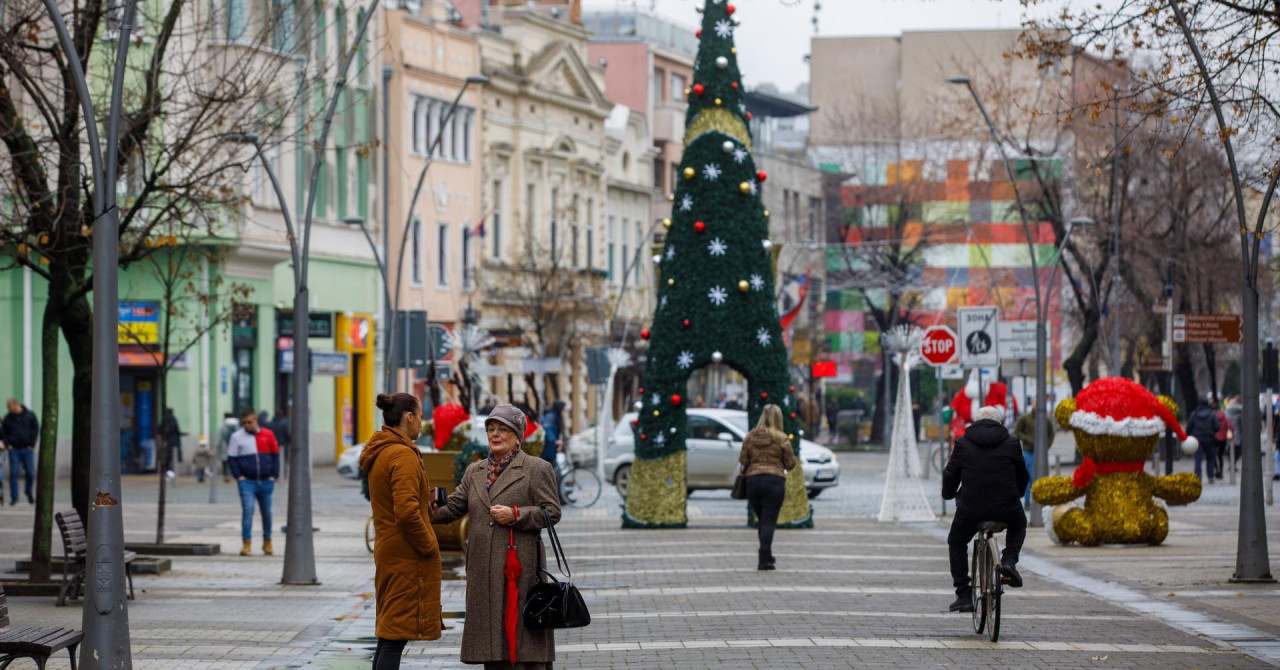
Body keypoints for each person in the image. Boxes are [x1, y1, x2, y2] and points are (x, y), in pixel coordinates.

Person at [432, 404, 561, 669]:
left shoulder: (536, 468)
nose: (495, 434)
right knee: (491, 646)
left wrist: (516, 514)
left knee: (521, 641)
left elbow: (551, 512)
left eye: (503, 429)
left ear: (518, 435)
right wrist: (423, 507)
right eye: (491, 429)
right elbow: (453, 507)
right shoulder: (475, 471)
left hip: (519, 569)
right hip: (482, 569)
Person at [360, 392, 442, 669]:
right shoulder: (402, 455)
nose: (422, 423)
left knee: (389, 634)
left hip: (391, 550)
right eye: (420, 416)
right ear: (408, 417)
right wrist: (428, 545)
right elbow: (406, 512)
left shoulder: (385, 450)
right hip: (406, 557)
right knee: (394, 637)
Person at [942, 406, 1029, 613]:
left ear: (975, 421)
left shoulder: (963, 443)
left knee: (956, 542)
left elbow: (950, 474)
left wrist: (948, 493)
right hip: (1006, 507)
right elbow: (1023, 475)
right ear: (1000, 423)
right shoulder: (1012, 443)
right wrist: (1016, 494)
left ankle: (964, 595)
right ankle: (1009, 561)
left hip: (971, 509)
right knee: (1019, 525)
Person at [738, 404, 796, 571]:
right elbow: (790, 464)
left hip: (753, 481)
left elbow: (743, 459)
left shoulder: (750, 436)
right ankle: (764, 557)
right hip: (774, 481)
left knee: (763, 520)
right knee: (769, 521)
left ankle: (767, 556)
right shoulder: (781, 438)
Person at [226, 408, 280, 556]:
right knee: (248, 511)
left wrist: (274, 475)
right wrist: (239, 476)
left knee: (267, 513)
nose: (247, 425)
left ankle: (267, 541)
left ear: (256, 420)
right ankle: (246, 543)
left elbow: (275, 456)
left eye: (249, 422)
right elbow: (232, 458)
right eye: (244, 423)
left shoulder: (268, 434)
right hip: (247, 481)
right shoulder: (237, 437)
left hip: (266, 480)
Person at [1012, 404, 1053, 507]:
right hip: (1028, 451)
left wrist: (1047, 445)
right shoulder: (1025, 418)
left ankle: (1040, 498)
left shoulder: (1045, 420)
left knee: (1041, 476)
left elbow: (1051, 433)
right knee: (1029, 476)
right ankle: (1027, 500)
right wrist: (1025, 439)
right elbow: (1017, 431)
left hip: (1041, 452)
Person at [1, 399, 38, 505]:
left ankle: (28, 491)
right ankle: (14, 497)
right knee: (13, 473)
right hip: (14, 450)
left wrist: (32, 444)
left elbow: (35, 429)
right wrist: (8, 444)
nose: (9, 409)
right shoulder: (8, 418)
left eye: (10, 407)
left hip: (27, 448)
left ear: (16, 404)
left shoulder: (29, 415)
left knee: (30, 473)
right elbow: (4, 433)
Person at [1186, 399, 1220, 481]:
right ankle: (1210, 476)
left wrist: (1189, 434)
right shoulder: (1211, 414)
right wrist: (1212, 431)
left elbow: (1189, 427)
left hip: (1197, 439)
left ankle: (1198, 476)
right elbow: (1217, 426)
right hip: (1209, 438)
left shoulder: (1194, 414)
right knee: (1210, 458)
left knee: (1198, 458)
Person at [539, 400, 565, 466]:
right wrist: (555, 441)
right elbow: (547, 428)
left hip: (551, 448)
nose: (563, 410)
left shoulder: (555, 416)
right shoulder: (550, 416)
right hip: (547, 447)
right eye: (562, 408)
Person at [1213, 400, 1234, 480]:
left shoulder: (1212, 417)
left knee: (1213, 455)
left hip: (1214, 438)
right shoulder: (1225, 418)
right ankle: (1221, 471)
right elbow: (1231, 427)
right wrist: (1230, 434)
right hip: (1223, 439)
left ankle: (1216, 468)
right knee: (1220, 456)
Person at [160, 408, 183, 475]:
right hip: (173, 442)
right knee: (173, 457)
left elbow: (160, 430)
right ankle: (171, 471)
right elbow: (177, 430)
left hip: (166, 442)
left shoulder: (164, 420)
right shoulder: (173, 420)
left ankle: (168, 471)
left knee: (167, 458)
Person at [217, 412, 239, 483]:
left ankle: (225, 476)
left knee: (225, 463)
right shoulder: (237, 426)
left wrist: (216, 446)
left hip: (224, 447)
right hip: (234, 447)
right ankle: (232, 475)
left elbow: (219, 437)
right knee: (232, 462)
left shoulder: (223, 426)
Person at [270, 408, 292, 478]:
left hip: (274, 444)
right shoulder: (284, 423)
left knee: (276, 459)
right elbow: (287, 433)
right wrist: (290, 441)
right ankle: (283, 474)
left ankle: (277, 474)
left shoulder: (272, 423)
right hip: (283, 444)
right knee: (284, 460)